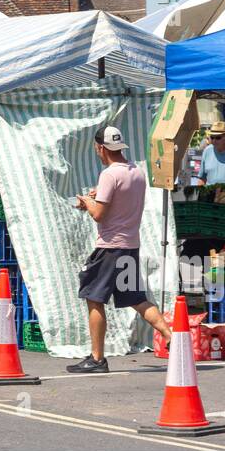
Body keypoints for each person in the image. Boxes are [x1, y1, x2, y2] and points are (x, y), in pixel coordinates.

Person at [67, 125, 172, 374]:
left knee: (93, 298)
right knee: (136, 298)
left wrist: (87, 202)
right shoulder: (137, 172)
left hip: (110, 247)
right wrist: (96, 199)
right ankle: (172, 335)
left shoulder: (109, 174)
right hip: (130, 245)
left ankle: (96, 358)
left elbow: (100, 214)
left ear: (100, 148)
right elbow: (119, 203)